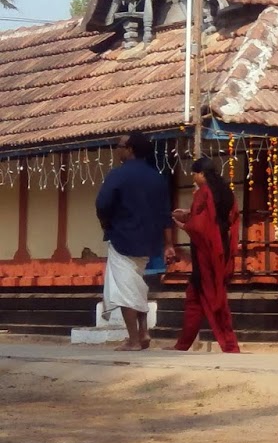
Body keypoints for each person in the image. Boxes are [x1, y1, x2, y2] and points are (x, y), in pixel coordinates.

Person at [93, 131, 173, 352]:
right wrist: (168, 243)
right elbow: (165, 213)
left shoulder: (118, 175)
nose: (117, 150)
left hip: (123, 238)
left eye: (120, 146)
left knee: (125, 288)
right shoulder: (157, 177)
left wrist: (106, 223)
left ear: (130, 150)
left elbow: (102, 204)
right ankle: (144, 332)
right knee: (137, 284)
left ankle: (134, 339)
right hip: (149, 241)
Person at [170, 156, 241, 353]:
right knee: (197, 296)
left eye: (194, 174)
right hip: (220, 247)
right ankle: (183, 345)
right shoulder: (226, 191)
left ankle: (230, 346)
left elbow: (200, 226)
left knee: (211, 297)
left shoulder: (204, 192)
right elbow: (222, 218)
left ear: (202, 173)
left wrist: (184, 225)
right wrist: (189, 213)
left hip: (205, 251)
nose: (193, 178)